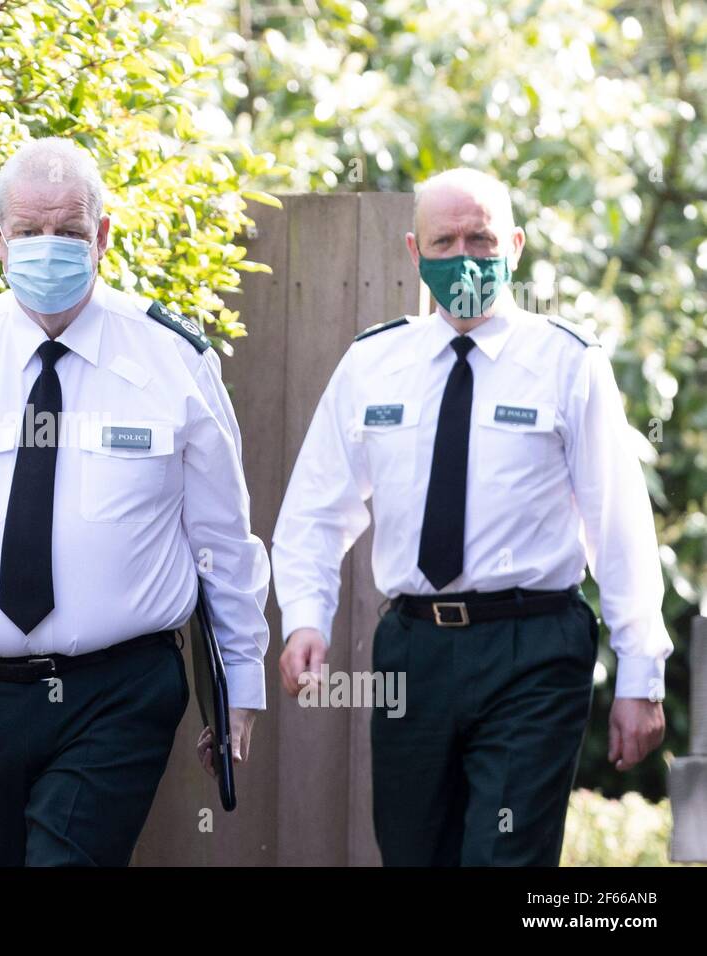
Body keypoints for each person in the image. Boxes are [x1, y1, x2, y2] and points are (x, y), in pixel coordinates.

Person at [0, 137, 270, 866]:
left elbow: (222, 538)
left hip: (118, 691)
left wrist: (240, 680)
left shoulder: (172, 358)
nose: (50, 248)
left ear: (103, 236)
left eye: (71, 232)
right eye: (30, 232)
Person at [272, 167, 671, 866]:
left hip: (533, 648)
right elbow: (314, 507)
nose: (465, 259)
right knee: (413, 852)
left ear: (514, 245)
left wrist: (642, 674)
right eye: (445, 241)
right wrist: (306, 614)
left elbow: (619, 527)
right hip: (413, 650)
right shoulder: (373, 364)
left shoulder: (567, 364)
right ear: (414, 252)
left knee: (503, 856)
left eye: (482, 240)